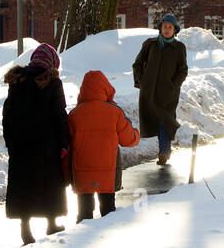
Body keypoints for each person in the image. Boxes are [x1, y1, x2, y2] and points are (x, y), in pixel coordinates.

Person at [2, 43, 70, 245]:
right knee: (49, 184)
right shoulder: (52, 82)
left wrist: (10, 140)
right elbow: (59, 113)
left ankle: (25, 227)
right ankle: (51, 222)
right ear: (52, 62)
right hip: (46, 143)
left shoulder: (17, 80)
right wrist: (65, 141)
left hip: (21, 143)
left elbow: (8, 114)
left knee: (23, 183)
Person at [67, 70, 139, 223]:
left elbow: (67, 142)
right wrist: (137, 134)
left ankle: (79, 242)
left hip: (82, 173)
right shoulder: (115, 112)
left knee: (84, 215)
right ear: (106, 87)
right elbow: (128, 140)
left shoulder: (74, 115)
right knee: (108, 214)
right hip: (108, 173)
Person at [132, 14, 188, 166]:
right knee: (155, 120)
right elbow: (137, 64)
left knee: (165, 121)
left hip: (168, 93)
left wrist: (174, 85)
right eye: (165, 26)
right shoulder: (150, 44)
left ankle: (164, 152)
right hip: (149, 92)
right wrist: (141, 80)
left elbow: (183, 70)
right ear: (161, 28)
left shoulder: (179, 48)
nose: (167, 29)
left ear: (174, 30)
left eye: (170, 27)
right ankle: (165, 150)